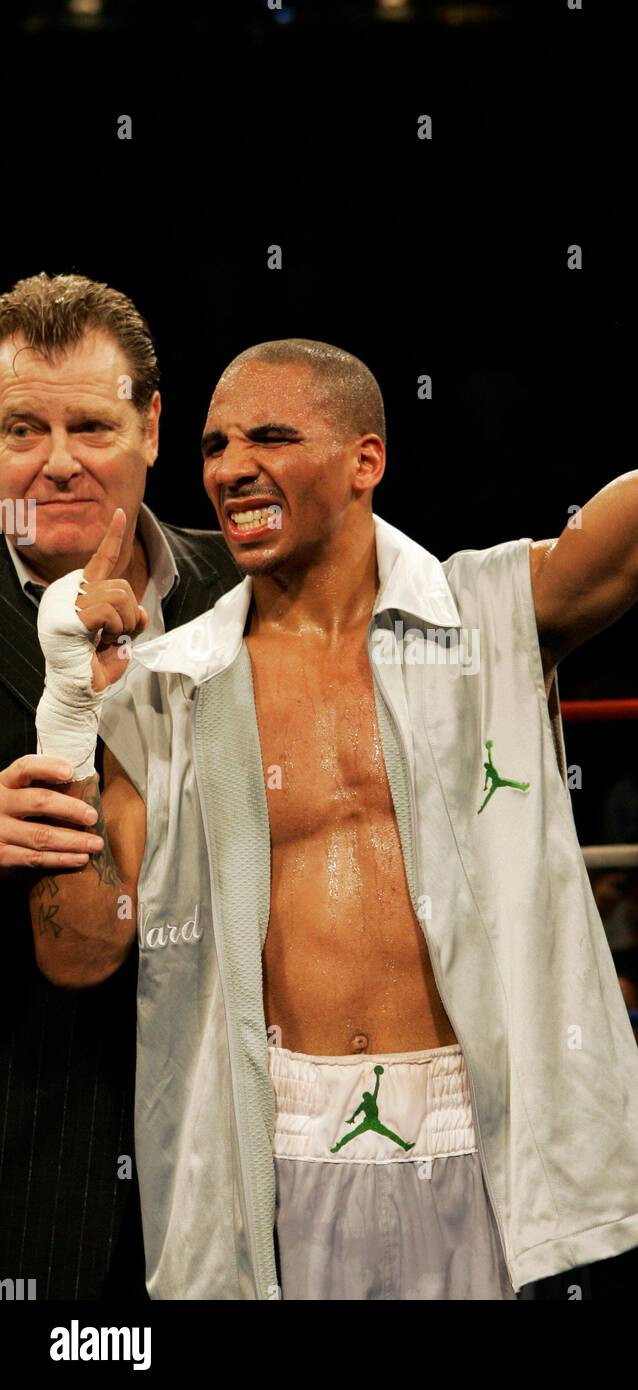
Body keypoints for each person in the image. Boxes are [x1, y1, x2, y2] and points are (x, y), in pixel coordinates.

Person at [25, 40, 638, 1300]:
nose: (231, 463)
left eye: (271, 436)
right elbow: (84, 951)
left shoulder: (496, 609)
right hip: (277, 1153)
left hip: (481, 1139)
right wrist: (70, 719)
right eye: (215, 442)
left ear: (366, 459)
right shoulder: (171, 685)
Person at [0, 273, 239, 1300]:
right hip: (25, 1171)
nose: (57, 462)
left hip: (248, 1166)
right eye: (20, 428)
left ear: (151, 425)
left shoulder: (256, 591)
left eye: (90, 426)